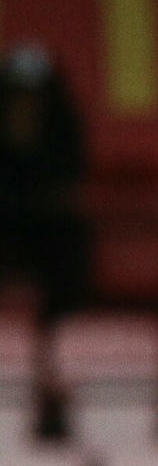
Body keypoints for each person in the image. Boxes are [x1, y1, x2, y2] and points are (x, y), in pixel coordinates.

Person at [0, 44, 88, 315]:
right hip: (4, 212)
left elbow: (70, 174)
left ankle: (63, 322)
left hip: (47, 216)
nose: (26, 100)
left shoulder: (62, 123)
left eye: (33, 93)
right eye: (18, 92)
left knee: (69, 234)